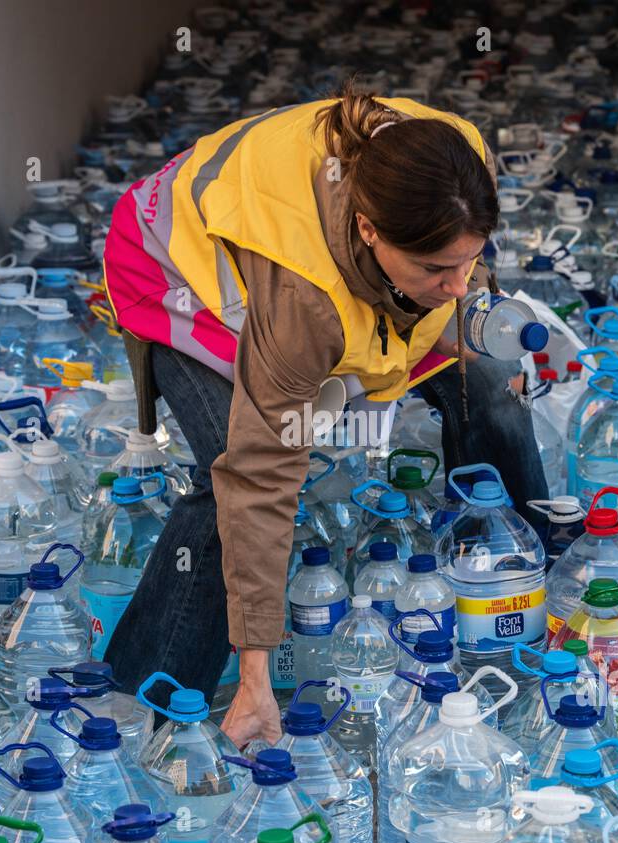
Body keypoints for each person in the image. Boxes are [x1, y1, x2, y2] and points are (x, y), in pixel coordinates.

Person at [101, 85, 549, 745]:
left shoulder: (457, 159)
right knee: (227, 478)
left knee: (487, 388)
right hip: (176, 266)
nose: (458, 285)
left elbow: (455, 274)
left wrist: (474, 297)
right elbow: (259, 478)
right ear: (370, 230)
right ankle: (145, 710)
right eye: (438, 268)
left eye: (469, 258)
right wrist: (257, 673)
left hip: (355, 284)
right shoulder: (303, 304)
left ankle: (524, 588)